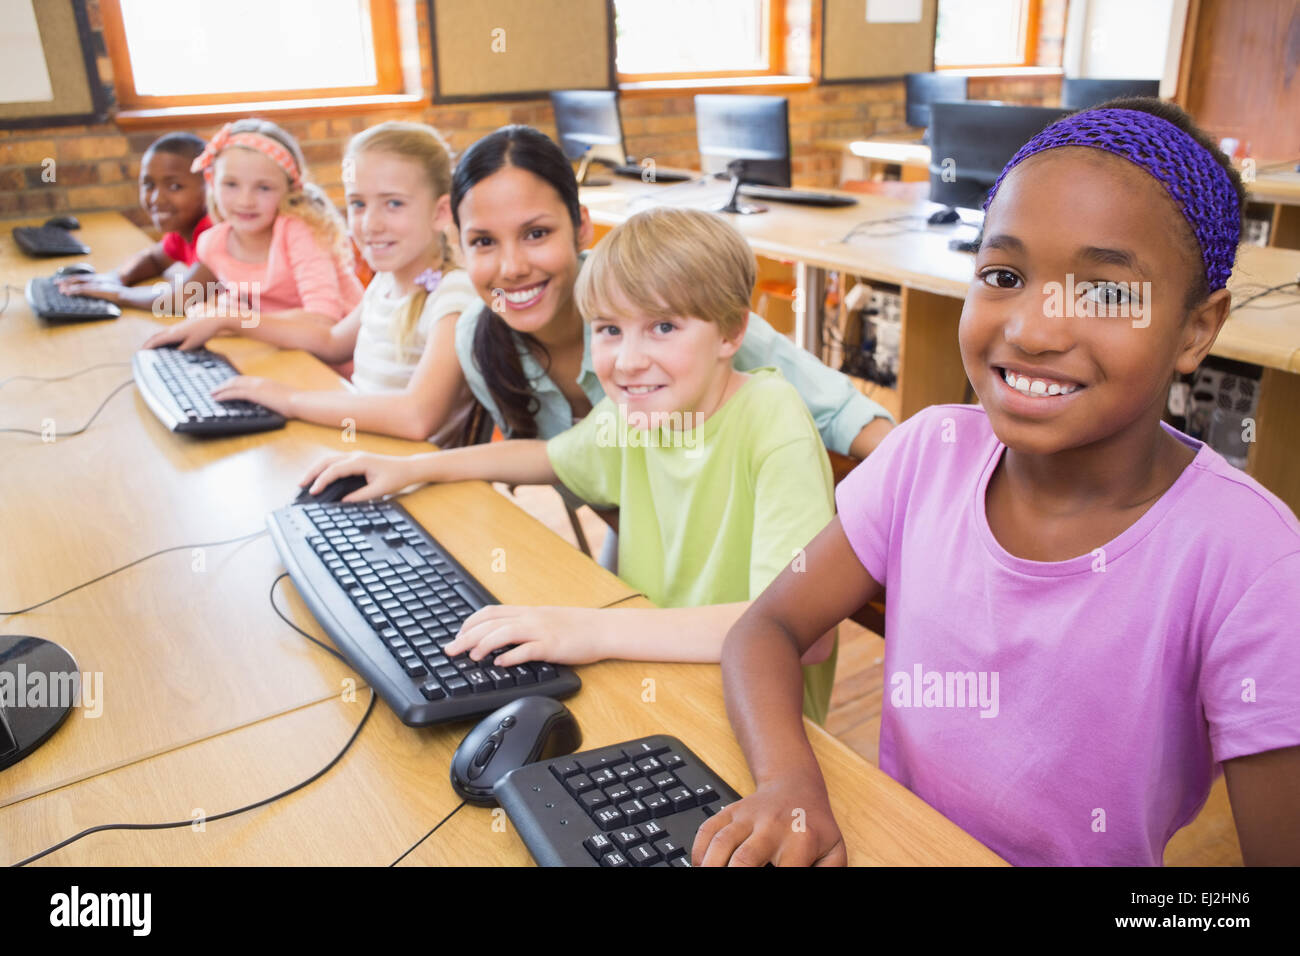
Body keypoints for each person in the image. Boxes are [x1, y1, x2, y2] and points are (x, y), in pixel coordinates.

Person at [693, 98, 1300, 867]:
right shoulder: (928, 456)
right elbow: (765, 629)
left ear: (1197, 328)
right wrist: (788, 782)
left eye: (1105, 292)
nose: (1033, 330)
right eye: (1004, 274)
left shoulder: (1251, 562)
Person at [299, 207, 840, 722]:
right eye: (609, 329)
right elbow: (547, 457)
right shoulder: (637, 412)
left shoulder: (772, 424)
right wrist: (414, 468)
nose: (627, 361)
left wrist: (594, 630)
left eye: (664, 328)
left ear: (731, 333)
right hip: (655, 672)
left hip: (756, 714)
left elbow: (799, 633)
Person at [140, 122, 478, 445]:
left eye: (393, 203)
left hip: (416, 474)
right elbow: (331, 341)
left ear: (441, 212)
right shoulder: (387, 282)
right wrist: (230, 320)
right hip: (369, 446)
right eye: (358, 203)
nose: (370, 224)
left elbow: (416, 417)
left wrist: (292, 400)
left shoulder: (452, 297)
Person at [143, 119, 363, 352]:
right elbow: (248, 306)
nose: (245, 201)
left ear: (290, 190)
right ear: (212, 183)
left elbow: (322, 320)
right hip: (286, 351)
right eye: (231, 184)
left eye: (264, 187)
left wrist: (230, 320)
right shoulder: (213, 244)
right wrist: (217, 312)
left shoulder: (298, 232)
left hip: (345, 363)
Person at [57, 132, 214, 314]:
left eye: (174, 187)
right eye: (149, 185)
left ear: (211, 186)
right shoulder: (184, 232)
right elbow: (154, 259)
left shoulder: (216, 235)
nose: (157, 198)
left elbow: (183, 298)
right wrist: (117, 277)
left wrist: (119, 294)